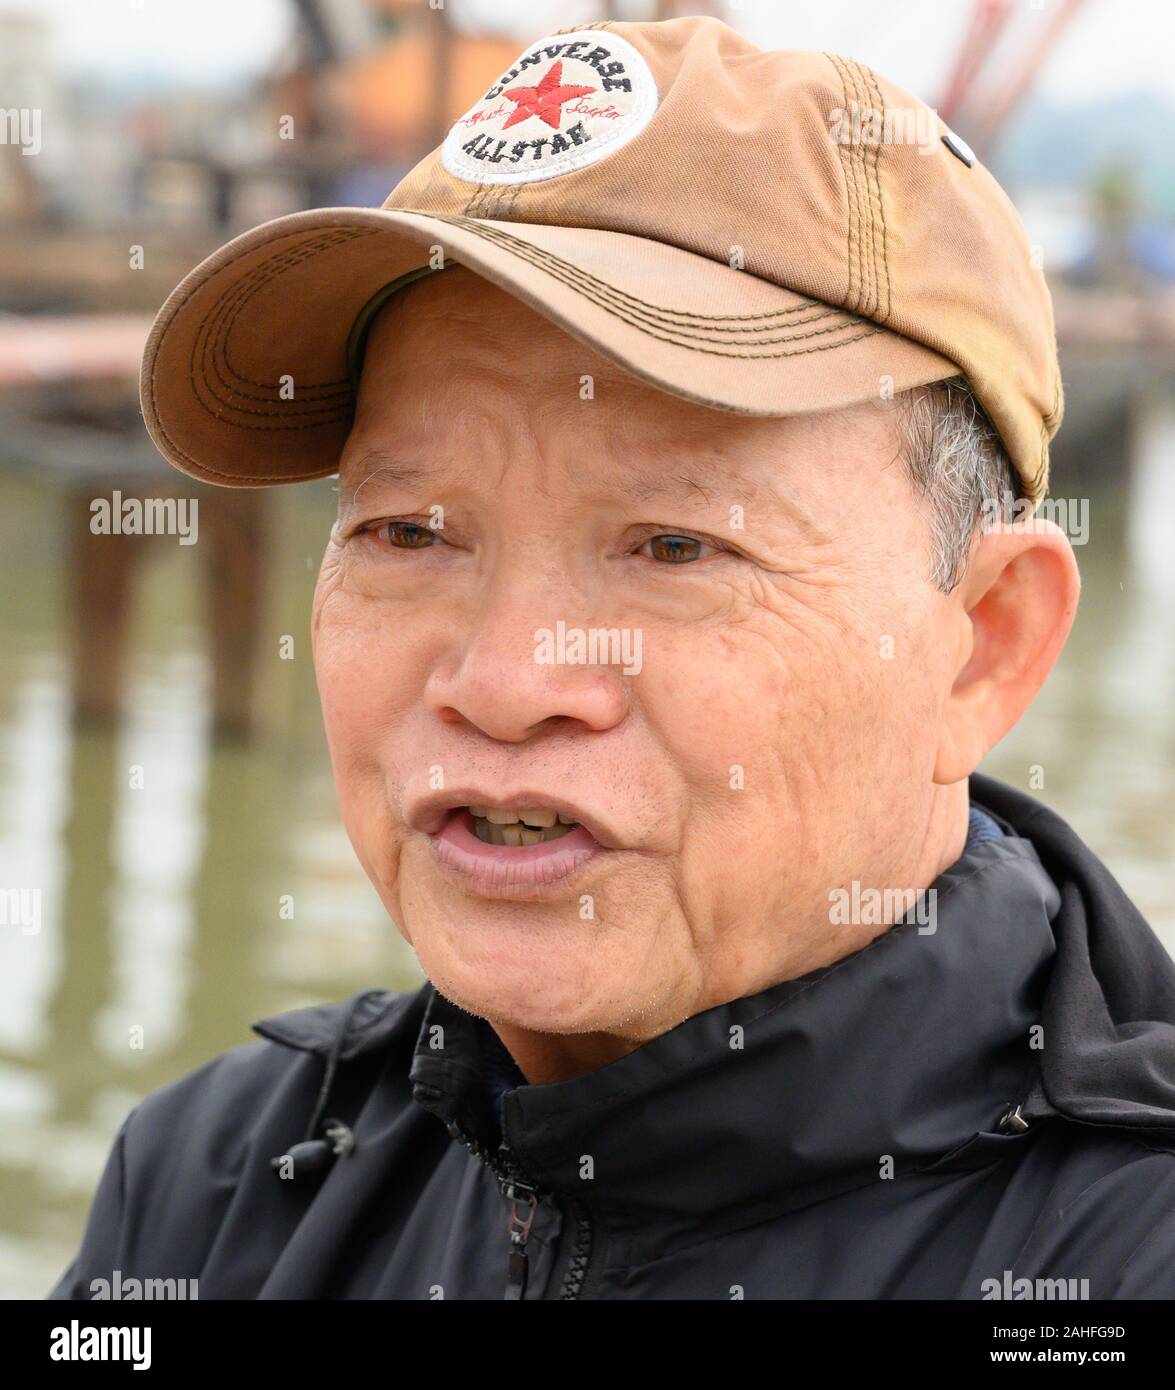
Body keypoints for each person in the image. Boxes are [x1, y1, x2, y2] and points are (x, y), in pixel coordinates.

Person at [51, 16, 1175, 1300]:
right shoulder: (217, 1189)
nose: (505, 679)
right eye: (408, 530)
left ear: (980, 648)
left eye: (674, 547)